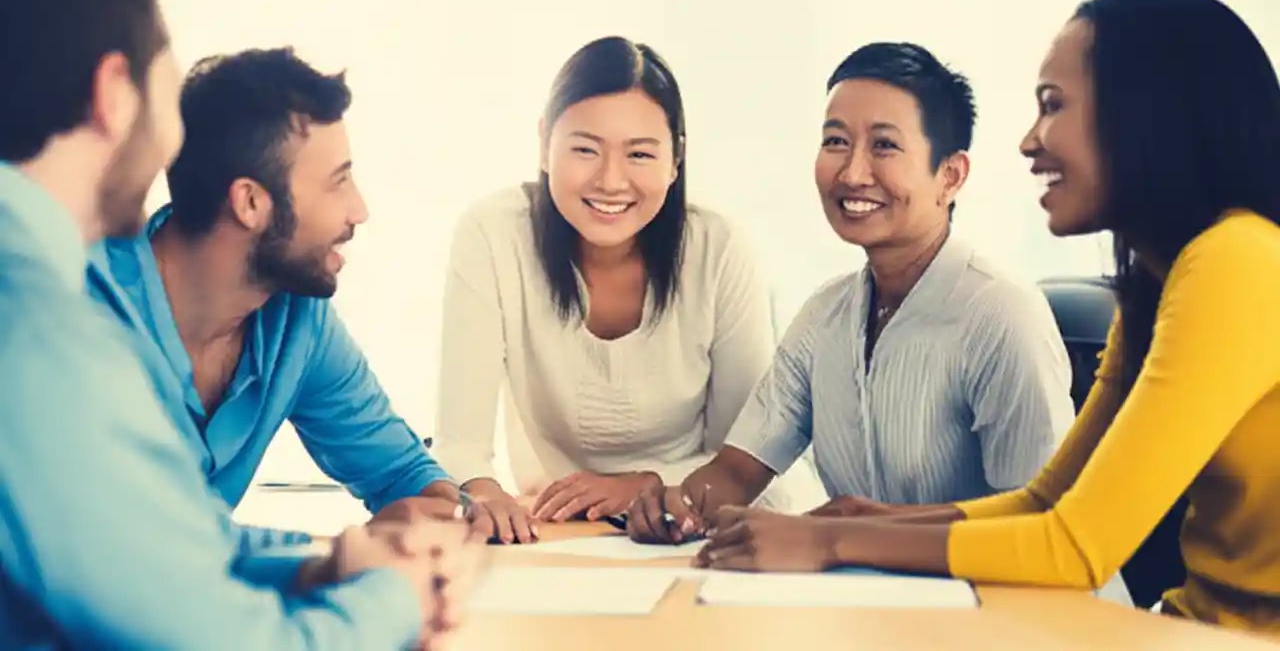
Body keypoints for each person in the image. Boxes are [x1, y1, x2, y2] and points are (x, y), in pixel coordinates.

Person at [692, 0, 1280, 637]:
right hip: (1187, 628)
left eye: (1053, 106)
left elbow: (1074, 545)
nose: (1029, 141)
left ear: (1146, 115)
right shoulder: (1157, 283)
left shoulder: (1237, 261)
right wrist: (862, 520)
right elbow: (1046, 499)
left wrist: (830, 542)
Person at [0, 0, 479, 647]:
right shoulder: (45, 331)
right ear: (113, 95)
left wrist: (320, 566)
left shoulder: (37, 300)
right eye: (165, 87)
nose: (175, 138)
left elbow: (161, 541)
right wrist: (394, 598)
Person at [628, 42, 1074, 544]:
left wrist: (841, 536)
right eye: (836, 141)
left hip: (996, 592)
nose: (853, 173)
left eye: (884, 146)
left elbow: (1039, 525)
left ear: (950, 176)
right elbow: (735, 473)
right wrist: (679, 507)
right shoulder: (825, 315)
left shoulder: (1002, 315)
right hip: (862, 588)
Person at [90, 46, 499, 540]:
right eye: (338, 182)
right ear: (250, 203)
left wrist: (444, 514)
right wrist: (326, 561)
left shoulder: (295, 318)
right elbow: (119, 545)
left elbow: (403, 475)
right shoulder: (85, 309)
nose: (359, 210)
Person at [431, 36, 824, 544]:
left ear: (676, 158)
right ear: (545, 144)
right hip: (562, 535)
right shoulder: (494, 234)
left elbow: (750, 459)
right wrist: (484, 496)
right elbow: (460, 446)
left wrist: (646, 484)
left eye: (639, 153)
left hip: (695, 525)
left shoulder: (718, 249)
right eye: (585, 150)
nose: (611, 181)